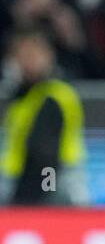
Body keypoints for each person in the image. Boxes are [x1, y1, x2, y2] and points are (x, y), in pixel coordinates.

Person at [1, 28, 89, 206]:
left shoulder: (56, 95)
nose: (28, 62)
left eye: (34, 55)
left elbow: (45, 154)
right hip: (23, 184)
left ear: (48, 55)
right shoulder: (22, 97)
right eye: (23, 56)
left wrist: (31, 200)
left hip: (54, 189)